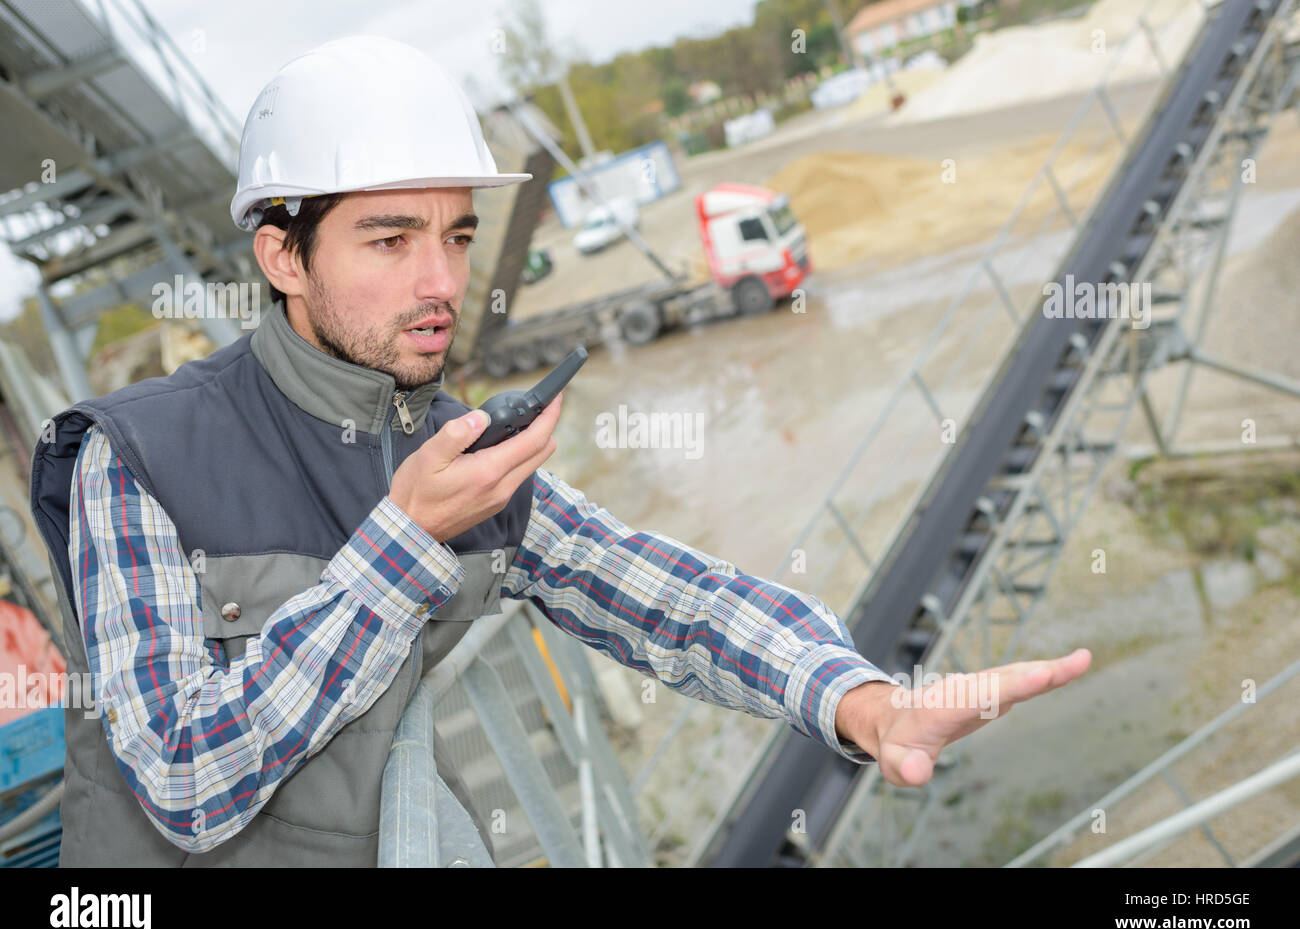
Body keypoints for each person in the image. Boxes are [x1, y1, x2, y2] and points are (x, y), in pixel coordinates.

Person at [28, 35, 1089, 867]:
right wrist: (402, 544)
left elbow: (668, 598)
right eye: (390, 241)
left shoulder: (445, 445)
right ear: (283, 256)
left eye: (454, 238)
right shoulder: (136, 457)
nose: (440, 281)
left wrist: (864, 701)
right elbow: (185, 774)